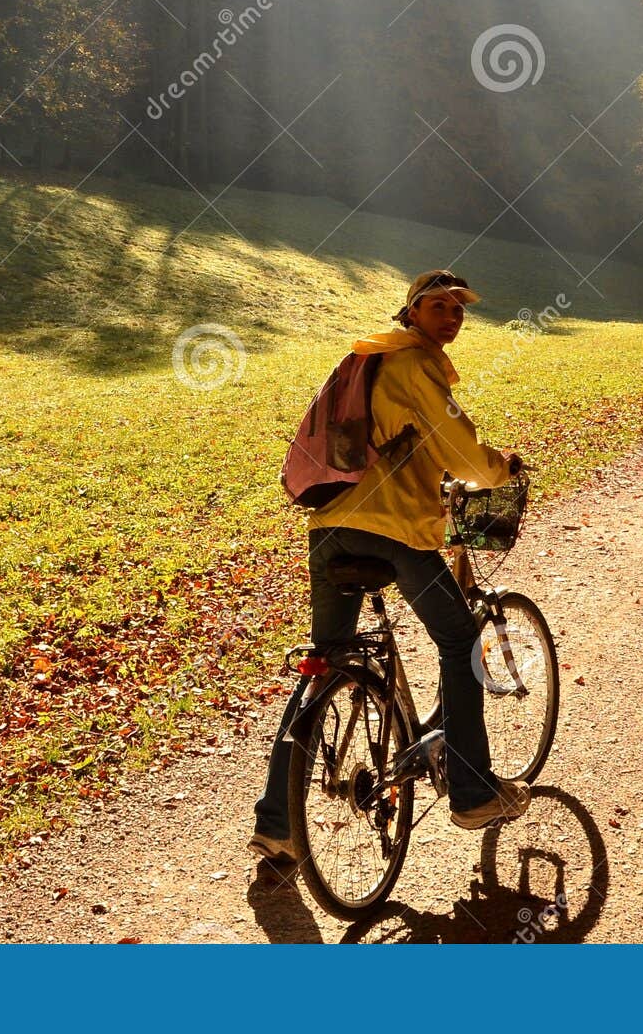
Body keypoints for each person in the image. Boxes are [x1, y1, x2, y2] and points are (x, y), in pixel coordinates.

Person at [249, 269, 532, 861]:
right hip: (394, 528)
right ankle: (474, 792)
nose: (451, 318)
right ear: (412, 311)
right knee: (461, 641)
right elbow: (457, 448)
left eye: (459, 310)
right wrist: (500, 469)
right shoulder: (413, 364)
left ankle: (276, 826)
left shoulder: (368, 358)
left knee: (324, 665)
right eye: (439, 307)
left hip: (330, 526)